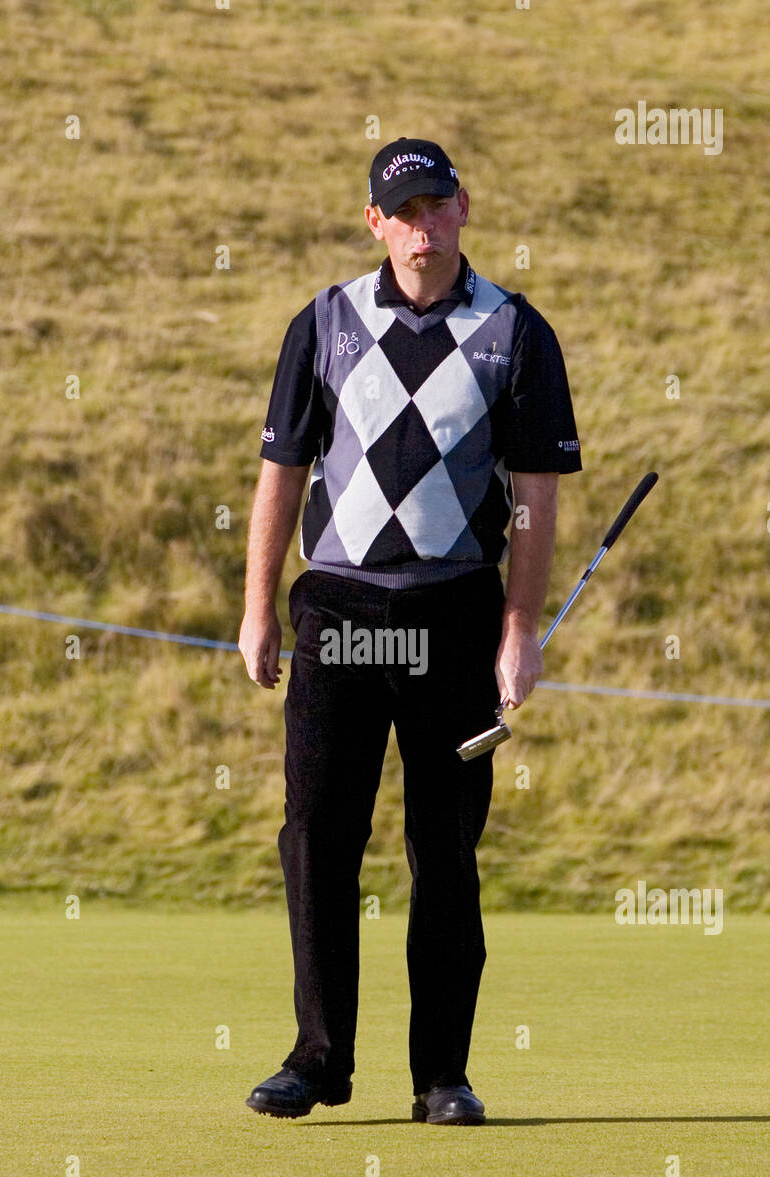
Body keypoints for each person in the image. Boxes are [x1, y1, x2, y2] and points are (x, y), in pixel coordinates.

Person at [239, 138, 582, 1124]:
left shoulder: (515, 332)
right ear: (375, 222)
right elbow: (283, 473)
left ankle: (442, 1075)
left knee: (444, 848)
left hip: (454, 614)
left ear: (464, 209)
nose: (423, 223)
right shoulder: (325, 323)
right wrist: (259, 606)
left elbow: (534, 499)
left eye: (439, 204)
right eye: (405, 208)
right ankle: (317, 1059)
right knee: (318, 838)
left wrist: (519, 629)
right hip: (341, 611)